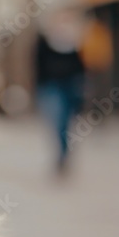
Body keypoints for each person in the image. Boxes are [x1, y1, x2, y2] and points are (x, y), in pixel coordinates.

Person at [34, 11, 86, 174]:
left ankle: (64, 153)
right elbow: (37, 65)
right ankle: (61, 153)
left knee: (66, 122)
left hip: (69, 86)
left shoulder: (74, 43)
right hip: (51, 86)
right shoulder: (44, 42)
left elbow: (80, 67)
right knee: (57, 120)